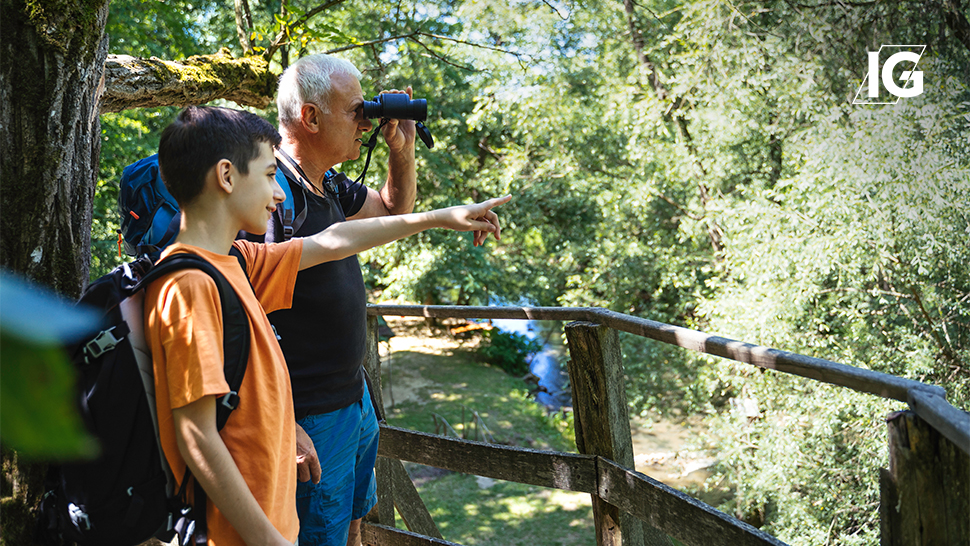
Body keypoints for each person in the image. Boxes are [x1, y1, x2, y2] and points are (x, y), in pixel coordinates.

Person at [145, 105, 509, 546]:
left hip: (272, 515)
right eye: (267, 176)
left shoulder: (237, 261)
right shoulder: (189, 286)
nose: (278, 195)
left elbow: (333, 241)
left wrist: (438, 217)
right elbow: (196, 437)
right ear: (226, 176)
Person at [263, 53, 431, 546]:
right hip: (309, 413)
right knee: (320, 536)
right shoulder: (273, 195)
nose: (366, 121)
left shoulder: (328, 183)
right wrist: (284, 419)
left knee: (356, 523)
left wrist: (401, 148)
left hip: (352, 398)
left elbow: (394, 208)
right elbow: (242, 312)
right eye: (357, 110)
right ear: (310, 118)